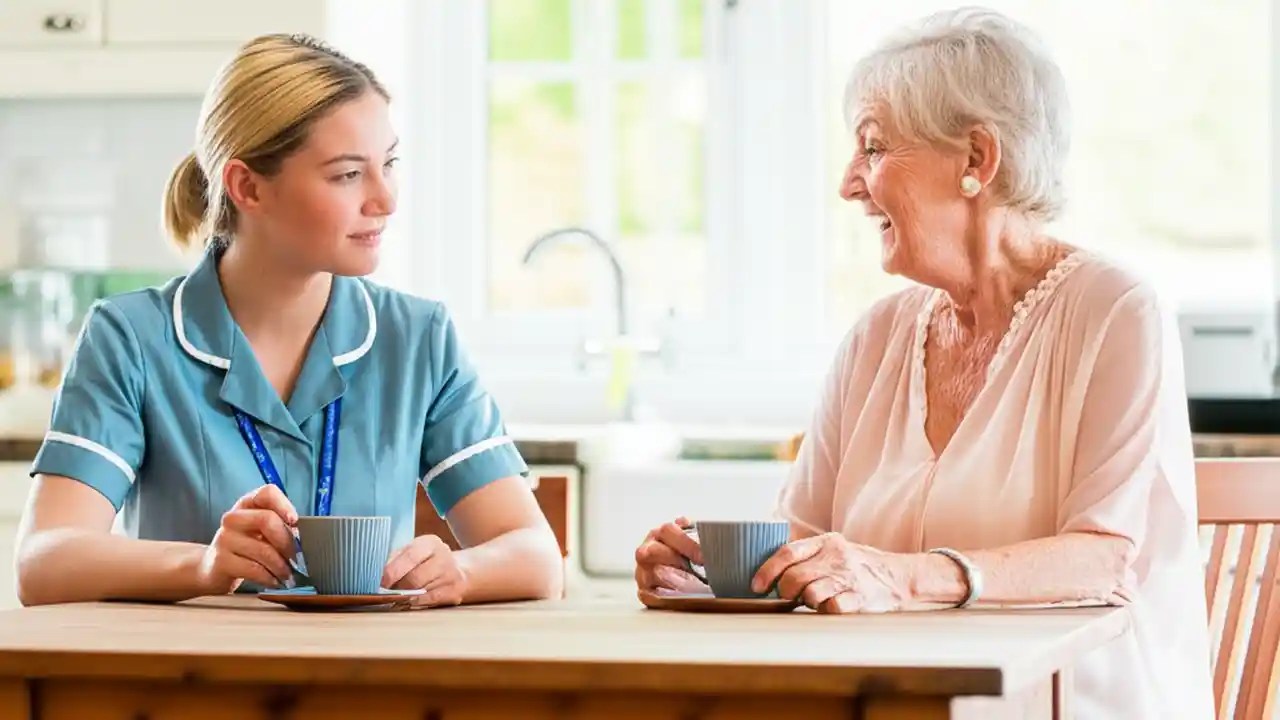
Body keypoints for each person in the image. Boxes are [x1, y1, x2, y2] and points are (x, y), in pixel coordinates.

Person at [634, 8, 1212, 718]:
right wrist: (707, 574)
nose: (849, 182)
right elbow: (808, 545)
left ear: (976, 160)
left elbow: (1104, 558)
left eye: (873, 148)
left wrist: (905, 578)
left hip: (1065, 703)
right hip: (897, 703)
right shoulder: (876, 336)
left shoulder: (1115, 311)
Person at [15, 34, 563, 609]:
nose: (386, 199)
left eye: (389, 164)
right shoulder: (129, 338)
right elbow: (44, 562)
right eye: (348, 174)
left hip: (371, 687)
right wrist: (202, 565)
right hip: (190, 688)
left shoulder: (418, 338)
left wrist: (464, 572)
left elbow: (535, 556)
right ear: (248, 187)